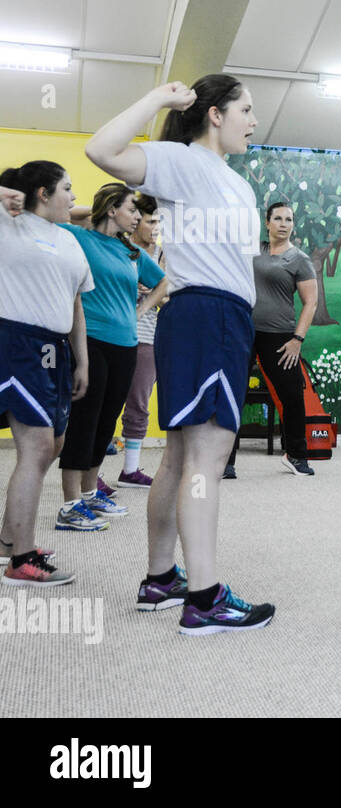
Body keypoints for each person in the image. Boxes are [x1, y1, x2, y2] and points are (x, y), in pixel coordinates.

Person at [86, 74, 275, 632]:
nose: (254, 120)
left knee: (178, 457)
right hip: (207, 318)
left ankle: (161, 578)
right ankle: (205, 598)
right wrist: (160, 100)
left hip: (217, 318)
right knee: (207, 461)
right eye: (246, 108)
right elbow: (101, 149)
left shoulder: (233, 183)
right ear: (214, 114)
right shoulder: (183, 160)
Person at [0, 162, 92, 582]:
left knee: (52, 446)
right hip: (18, 344)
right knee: (36, 449)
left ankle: (6, 540)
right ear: (42, 192)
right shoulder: (10, 223)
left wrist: (82, 359)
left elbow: (76, 304)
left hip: (56, 350)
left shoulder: (71, 241)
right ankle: (22, 558)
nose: (74, 197)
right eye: (67, 189)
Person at [55, 184, 166, 527]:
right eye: (131, 209)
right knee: (85, 420)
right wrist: (98, 209)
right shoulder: (80, 238)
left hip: (126, 344)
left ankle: (90, 493)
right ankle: (70, 503)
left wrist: (143, 308)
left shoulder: (132, 252)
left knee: (107, 423)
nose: (137, 217)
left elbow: (164, 282)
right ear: (112, 210)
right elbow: (58, 215)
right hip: (91, 340)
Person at [225, 201, 319, 478]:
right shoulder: (253, 250)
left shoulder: (299, 259)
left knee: (291, 396)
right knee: (233, 395)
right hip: (244, 333)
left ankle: (297, 456)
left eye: (288, 219)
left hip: (280, 337)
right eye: (277, 218)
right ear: (267, 223)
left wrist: (297, 339)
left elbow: (310, 302)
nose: (283, 223)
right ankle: (225, 460)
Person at [117, 193, 167, 488]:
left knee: (138, 403)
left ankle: (130, 470)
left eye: (159, 223)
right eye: (151, 222)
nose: (156, 228)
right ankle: (88, 471)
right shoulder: (121, 248)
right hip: (115, 333)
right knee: (103, 402)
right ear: (136, 221)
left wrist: (151, 295)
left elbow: (170, 296)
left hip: (149, 336)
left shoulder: (163, 254)